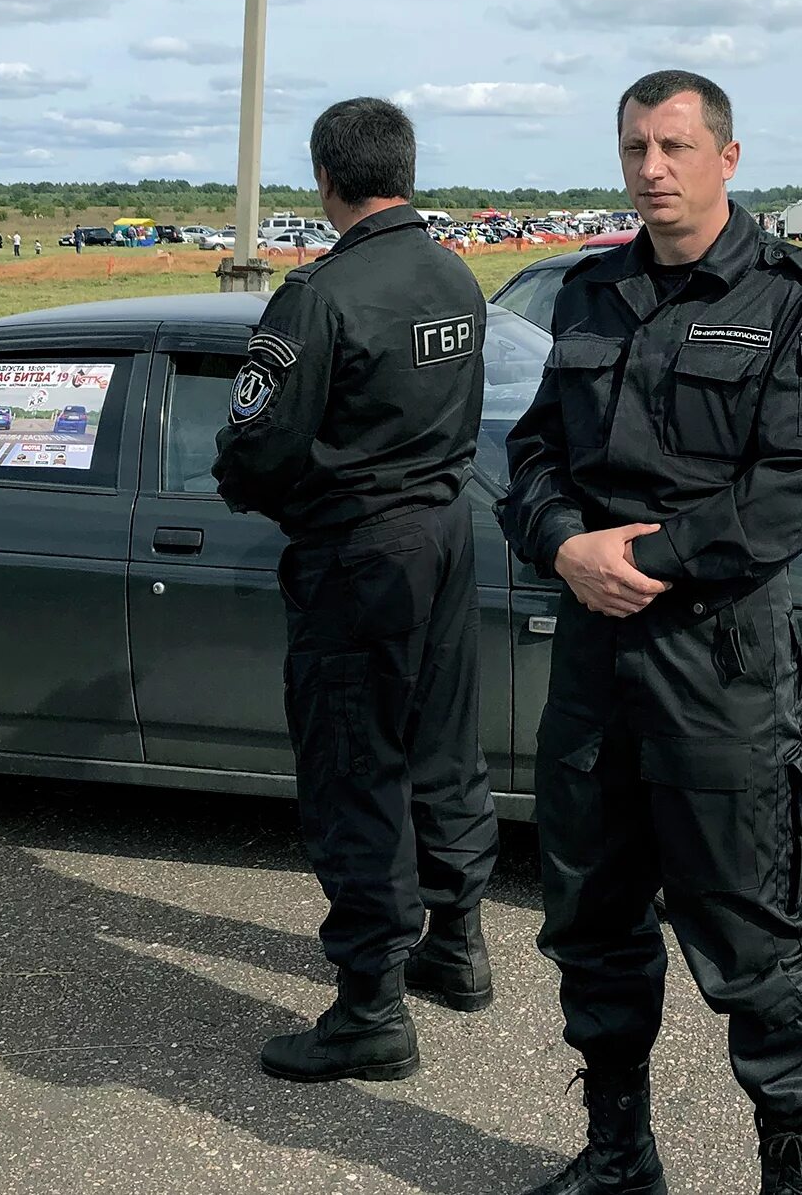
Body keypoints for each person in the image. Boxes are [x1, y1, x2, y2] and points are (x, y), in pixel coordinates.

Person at [500, 69, 802, 1195]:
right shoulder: (590, 292)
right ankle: (620, 1156)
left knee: (755, 949)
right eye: (633, 149)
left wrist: (639, 558)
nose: (651, 168)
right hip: (594, 673)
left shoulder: (794, 297)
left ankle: (787, 1176)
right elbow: (533, 450)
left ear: (727, 158)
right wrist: (561, 541)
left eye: (673, 146)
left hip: (721, 673)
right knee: (592, 928)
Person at [212, 97, 497, 1085]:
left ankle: (370, 1006)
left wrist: (252, 483)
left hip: (361, 553)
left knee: (353, 764)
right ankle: (457, 946)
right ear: (404, 171)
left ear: (324, 179)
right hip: (449, 534)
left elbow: (258, 443)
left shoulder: (320, 295)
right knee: (443, 744)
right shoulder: (456, 276)